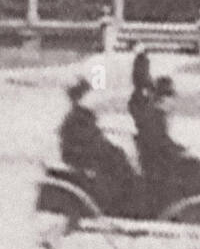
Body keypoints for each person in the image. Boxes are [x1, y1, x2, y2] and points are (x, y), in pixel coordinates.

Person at [57, 77, 141, 215]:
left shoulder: (81, 116)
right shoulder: (78, 118)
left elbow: (95, 140)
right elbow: (90, 143)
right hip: (82, 158)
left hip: (87, 155)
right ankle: (120, 207)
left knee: (120, 161)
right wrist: (111, 152)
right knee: (118, 168)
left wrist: (113, 150)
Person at [131, 75, 200, 212]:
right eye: (171, 97)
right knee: (199, 168)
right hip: (158, 168)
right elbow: (160, 144)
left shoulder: (155, 116)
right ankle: (193, 207)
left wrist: (179, 150)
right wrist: (180, 152)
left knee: (197, 165)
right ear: (164, 98)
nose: (173, 102)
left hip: (158, 163)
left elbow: (162, 141)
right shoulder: (156, 117)